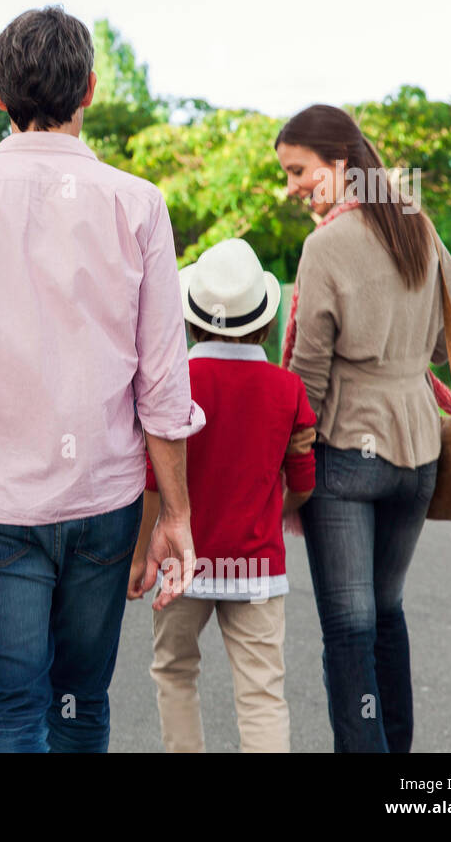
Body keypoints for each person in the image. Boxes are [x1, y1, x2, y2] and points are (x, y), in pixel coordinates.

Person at [0, 6, 205, 753]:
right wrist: (176, 514)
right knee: (79, 704)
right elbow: (162, 381)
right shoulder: (139, 204)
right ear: (89, 89)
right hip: (106, 499)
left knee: (8, 710)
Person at [276, 103, 451, 752]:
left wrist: (287, 464)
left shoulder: (327, 245)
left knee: (349, 630)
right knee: (386, 613)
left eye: (298, 171)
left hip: (349, 451)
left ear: (339, 163)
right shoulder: (421, 231)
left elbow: (307, 373)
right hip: (419, 454)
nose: (291, 186)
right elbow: (439, 343)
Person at [137, 237, 316, 753]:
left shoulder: (176, 383)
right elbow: (303, 482)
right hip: (258, 564)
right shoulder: (287, 390)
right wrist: (277, 511)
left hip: (180, 562)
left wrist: (136, 555)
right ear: (263, 322)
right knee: (261, 692)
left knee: (174, 672)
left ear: (190, 320)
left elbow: (151, 478)